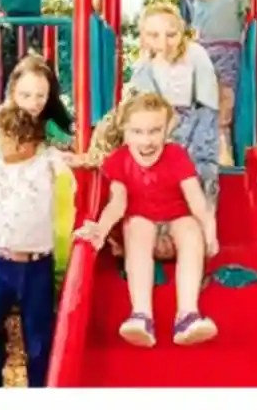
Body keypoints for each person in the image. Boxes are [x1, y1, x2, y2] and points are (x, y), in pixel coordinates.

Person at [74, 93, 218, 347]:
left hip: (174, 230)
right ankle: (141, 315)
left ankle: (187, 315)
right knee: (138, 224)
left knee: (190, 226)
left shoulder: (176, 156)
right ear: (126, 133)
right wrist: (101, 229)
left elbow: (196, 200)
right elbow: (117, 203)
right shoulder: (119, 161)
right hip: (141, 234)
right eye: (138, 132)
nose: (147, 140)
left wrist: (210, 232)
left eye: (155, 131)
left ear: (167, 130)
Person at [0, 105, 78, 385]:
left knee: (39, 336)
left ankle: (41, 390)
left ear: (28, 142)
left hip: (36, 264)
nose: (4, 146)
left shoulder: (46, 161)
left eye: (9, 139)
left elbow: (76, 159)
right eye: (1, 138)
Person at [127, 3, 221, 208]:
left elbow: (208, 107)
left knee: (199, 176)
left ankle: (203, 230)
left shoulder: (195, 54)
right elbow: (140, 109)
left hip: (194, 127)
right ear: (143, 37)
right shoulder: (143, 67)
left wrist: (195, 151)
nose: (164, 43)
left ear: (182, 33)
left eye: (171, 35)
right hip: (160, 128)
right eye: (154, 35)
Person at [185, 0, 247, 165]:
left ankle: (222, 145)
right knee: (199, 98)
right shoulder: (192, 2)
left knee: (225, 97)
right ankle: (197, 145)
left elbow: (250, 8)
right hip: (202, 52)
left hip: (228, 52)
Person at [0, 55, 74, 153]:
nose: (34, 103)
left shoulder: (50, 121)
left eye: (40, 96)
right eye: (26, 95)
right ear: (13, 91)